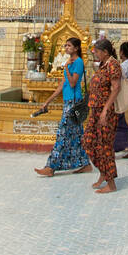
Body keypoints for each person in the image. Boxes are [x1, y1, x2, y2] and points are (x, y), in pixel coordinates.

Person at [33, 37, 91, 178]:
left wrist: (66, 67)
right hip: (68, 101)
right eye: (65, 45)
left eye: (69, 46)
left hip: (74, 102)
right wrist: (48, 101)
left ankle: (50, 166)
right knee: (77, 135)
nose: (66, 48)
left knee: (63, 134)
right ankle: (86, 164)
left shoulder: (78, 62)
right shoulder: (70, 63)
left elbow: (72, 83)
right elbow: (62, 85)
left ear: (76, 48)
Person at [82, 36, 123, 194]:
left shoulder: (113, 65)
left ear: (105, 52)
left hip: (105, 111)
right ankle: (103, 173)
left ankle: (111, 183)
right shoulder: (102, 65)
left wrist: (106, 110)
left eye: (98, 52)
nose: (96, 54)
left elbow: (116, 88)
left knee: (104, 146)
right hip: (95, 110)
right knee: (88, 142)